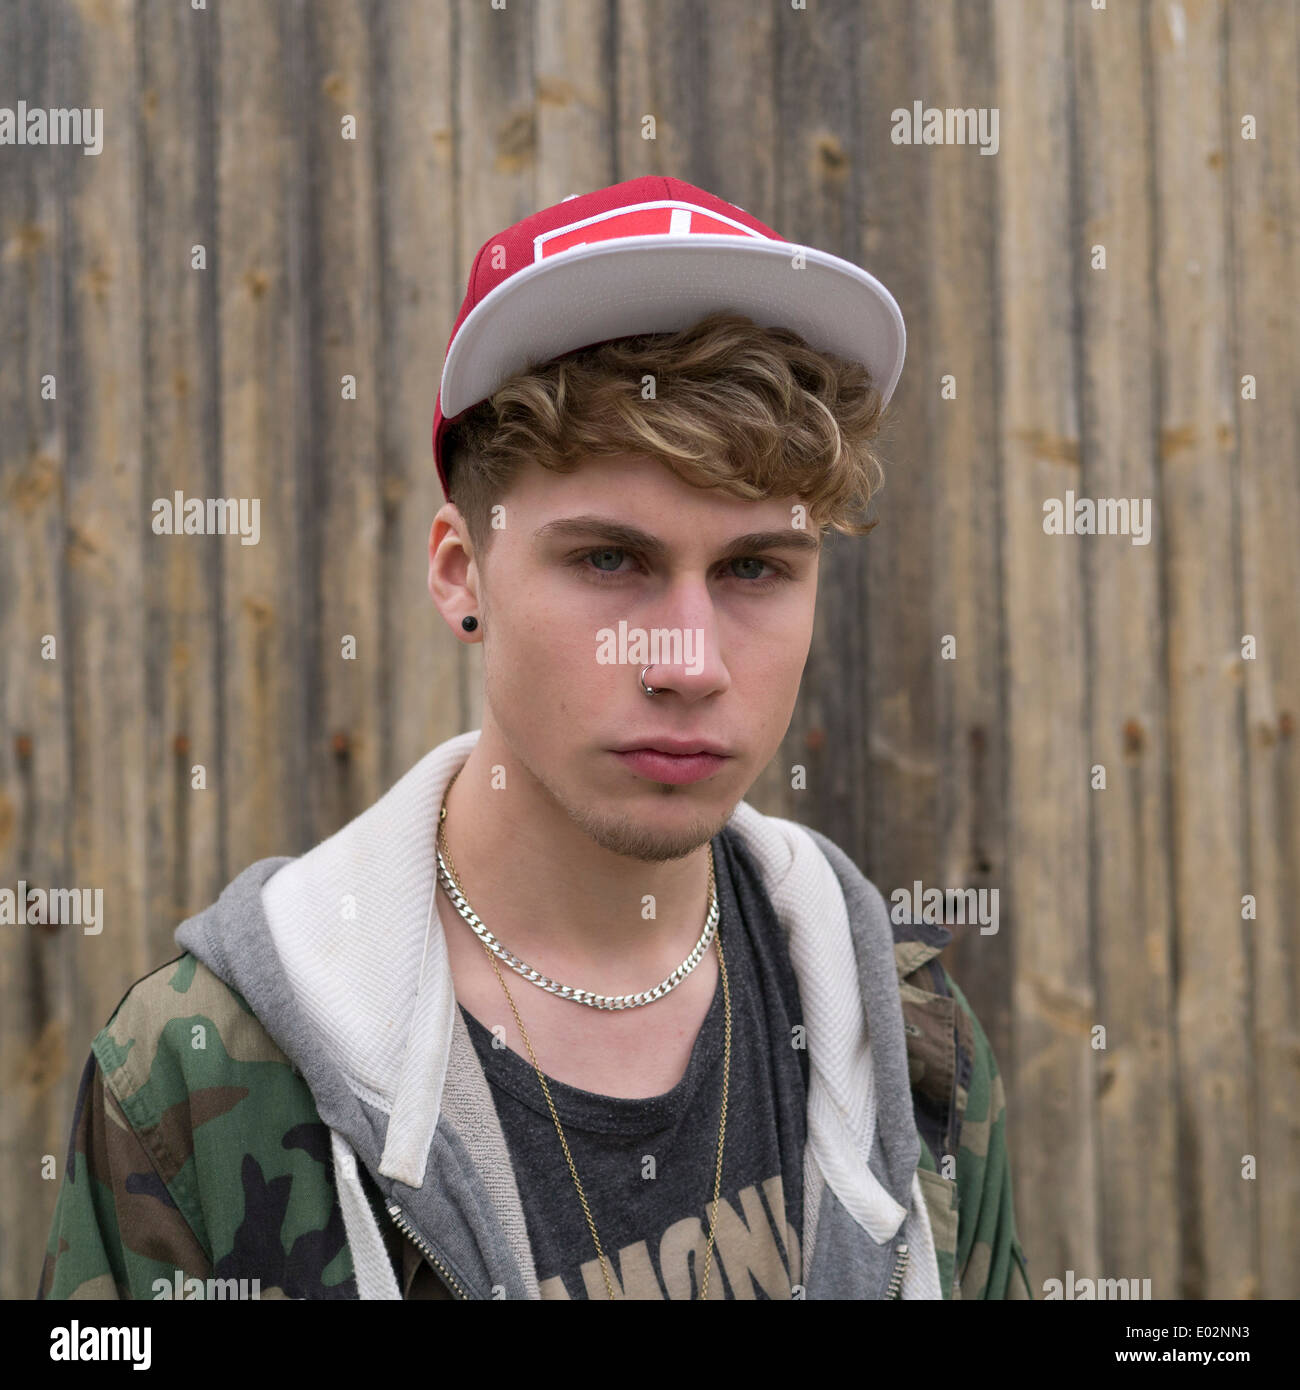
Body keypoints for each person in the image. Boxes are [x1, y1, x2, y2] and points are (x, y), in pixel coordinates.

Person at [39, 176, 1032, 1301]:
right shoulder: (200, 1071)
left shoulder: (909, 1038)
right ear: (462, 573)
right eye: (609, 560)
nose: (688, 663)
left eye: (753, 567)